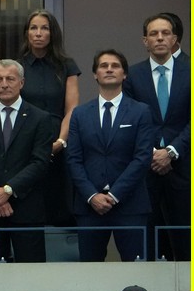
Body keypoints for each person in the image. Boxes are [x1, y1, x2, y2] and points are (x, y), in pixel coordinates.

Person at [65, 50, 156, 261]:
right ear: (95, 74)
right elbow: (74, 159)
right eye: (103, 65)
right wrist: (91, 195)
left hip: (130, 203)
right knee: (90, 270)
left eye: (115, 66)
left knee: (136, 269)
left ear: (125, 74)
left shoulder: (141, 111)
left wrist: (114, 195)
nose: (108, 69)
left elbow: (142, 158)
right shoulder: (80, 113)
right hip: (90, 205)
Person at [0, 60, 56, 263]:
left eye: (10, 79)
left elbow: (40, 163)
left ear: (22, 83)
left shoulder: (40, 118)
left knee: (30, 277)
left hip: (27, 211)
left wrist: (7, 190)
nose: (4, 84)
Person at [123, 13, 190, 260]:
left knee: (185, 239)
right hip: (146, 167)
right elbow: (130, 120)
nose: (159, 38)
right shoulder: (133, 75)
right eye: (153, 34)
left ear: (174, 38)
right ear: (145, 41)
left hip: (184, 166)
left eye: (165, 33)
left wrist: (171, 151)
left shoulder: (190, 71)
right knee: (148, 241)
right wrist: (153, 153)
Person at [17, 10, 79, 226]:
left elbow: (72, 108)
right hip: (24, 140)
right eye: (33, 28)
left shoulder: (66, 65)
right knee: (30, 201)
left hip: (59, 138)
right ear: (26, 33)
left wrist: (61, 142)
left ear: (53, 33)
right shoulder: (18, 66)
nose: (39, 33)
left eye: (45, 28)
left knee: (59, 200)